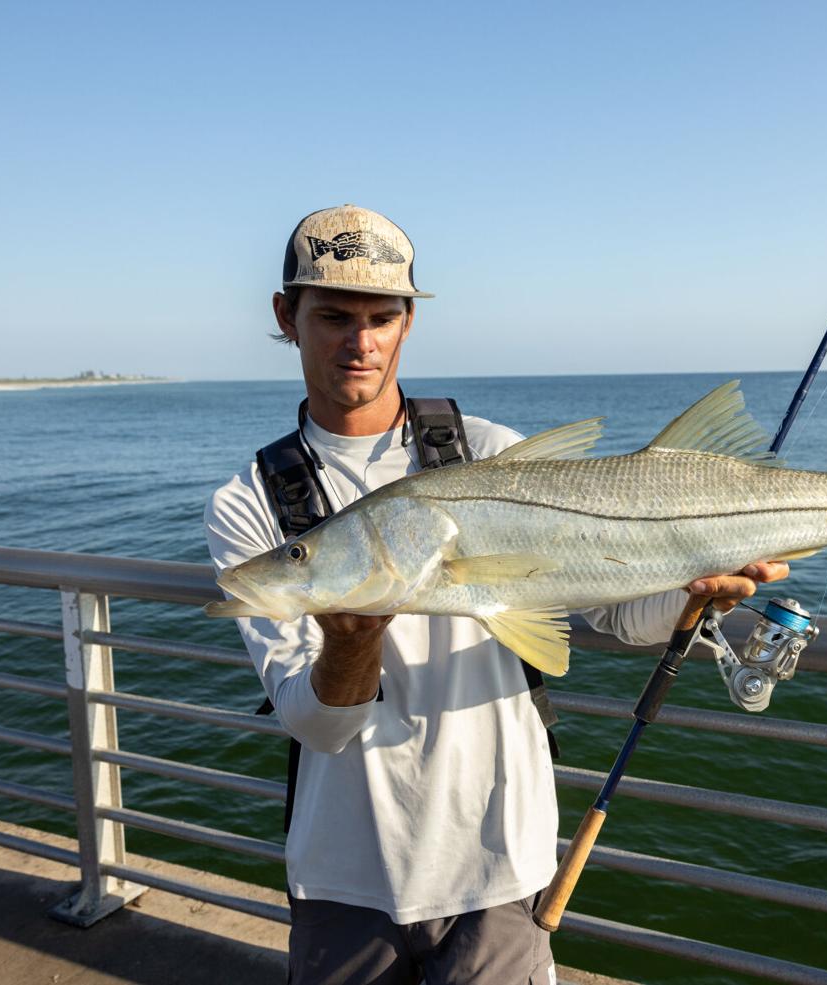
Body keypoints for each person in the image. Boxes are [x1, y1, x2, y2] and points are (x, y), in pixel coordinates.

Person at [204, 205, 787, 985]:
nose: (361, 340)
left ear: (408, 322)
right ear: (287, 315)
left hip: (500, 861)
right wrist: (351, 638)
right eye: (335, 315)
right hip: (345, 873)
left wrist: (702, 591)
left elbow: (613, 609)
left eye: (383, 316)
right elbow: (314, 722)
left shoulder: (486, 450)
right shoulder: (249, 503)